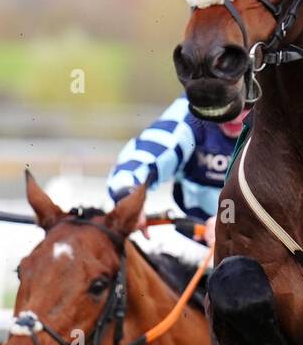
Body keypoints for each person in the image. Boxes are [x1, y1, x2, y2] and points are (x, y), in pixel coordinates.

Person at [106, 97, 249, 290]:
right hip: (197, 249)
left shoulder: (282, 110)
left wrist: (235, 219)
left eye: (247, 103)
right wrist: (129, 197)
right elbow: (141, 158)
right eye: (224, 102)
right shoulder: (192, 111)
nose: (234, 115)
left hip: (268, 252)